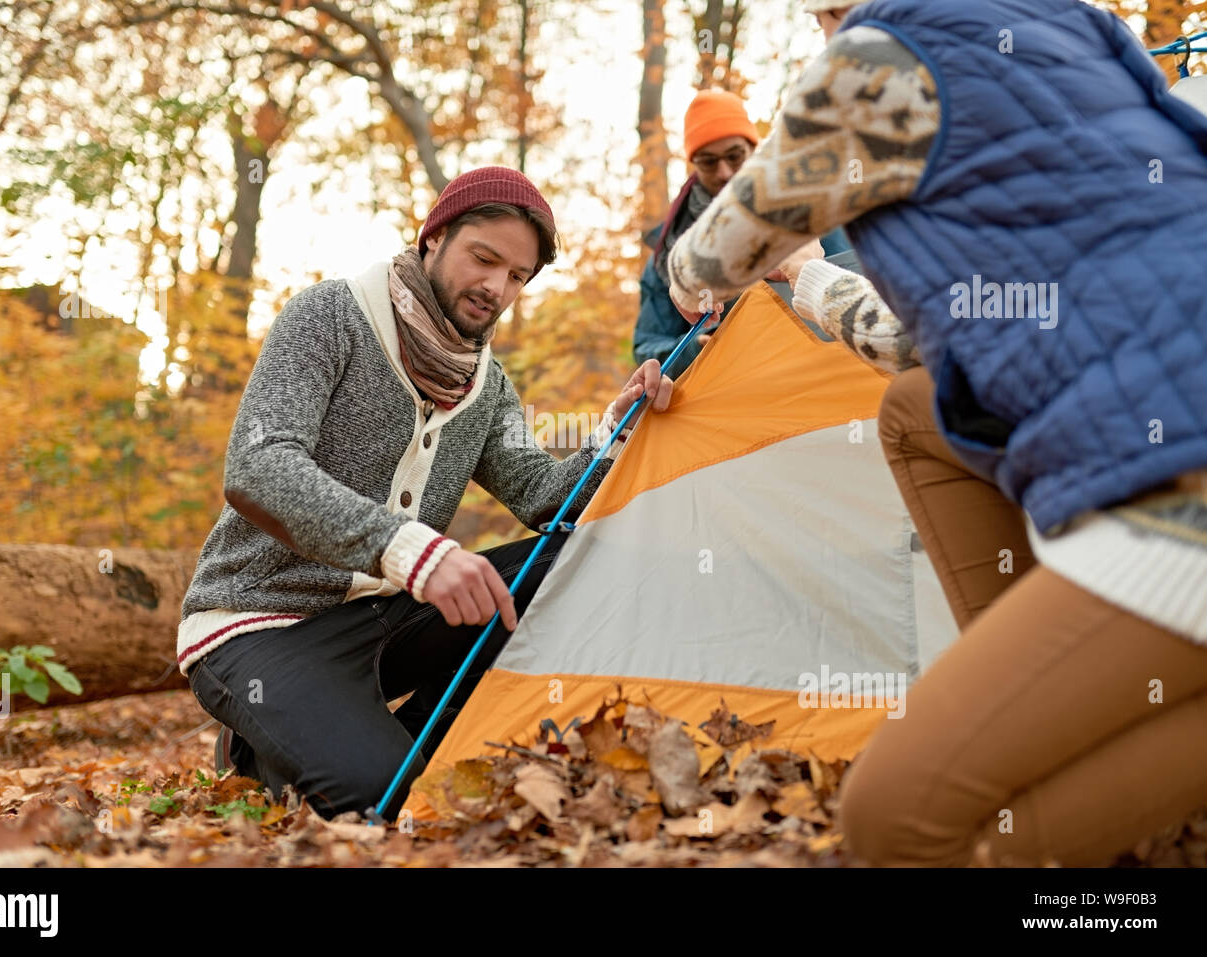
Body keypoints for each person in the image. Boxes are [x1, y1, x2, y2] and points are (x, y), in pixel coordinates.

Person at [666, 0, 1207, 866]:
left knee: (898, 822)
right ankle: (1050, 707)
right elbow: (931, 349)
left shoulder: (875, 63)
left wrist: (796, 266)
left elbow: (704, 264)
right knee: (915, 407)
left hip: (1175, 483)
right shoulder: (1078, 23)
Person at [178, 167, 674, 818]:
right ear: (434, 237)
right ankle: (265, 744)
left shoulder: (485, 383)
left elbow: (543, 495)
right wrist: (413, 550)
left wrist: (617, 431)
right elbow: (258, 468)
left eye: (517, 276)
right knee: (377, 797)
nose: (496, 287)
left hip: (387, 618)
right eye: (484, 257)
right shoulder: (328, 316)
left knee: (569, 562)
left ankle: (383, 753)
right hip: (260, 623)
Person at [633, 88, 848, 372]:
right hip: (727, 399)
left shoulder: (814, 211)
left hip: (821, 379)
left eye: (734, 156)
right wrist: (696, 348)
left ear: (752, 150)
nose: (724, 172)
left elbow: (861, 291)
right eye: (709, 162)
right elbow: (647, 347)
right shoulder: (668, 251)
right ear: (694, 165)